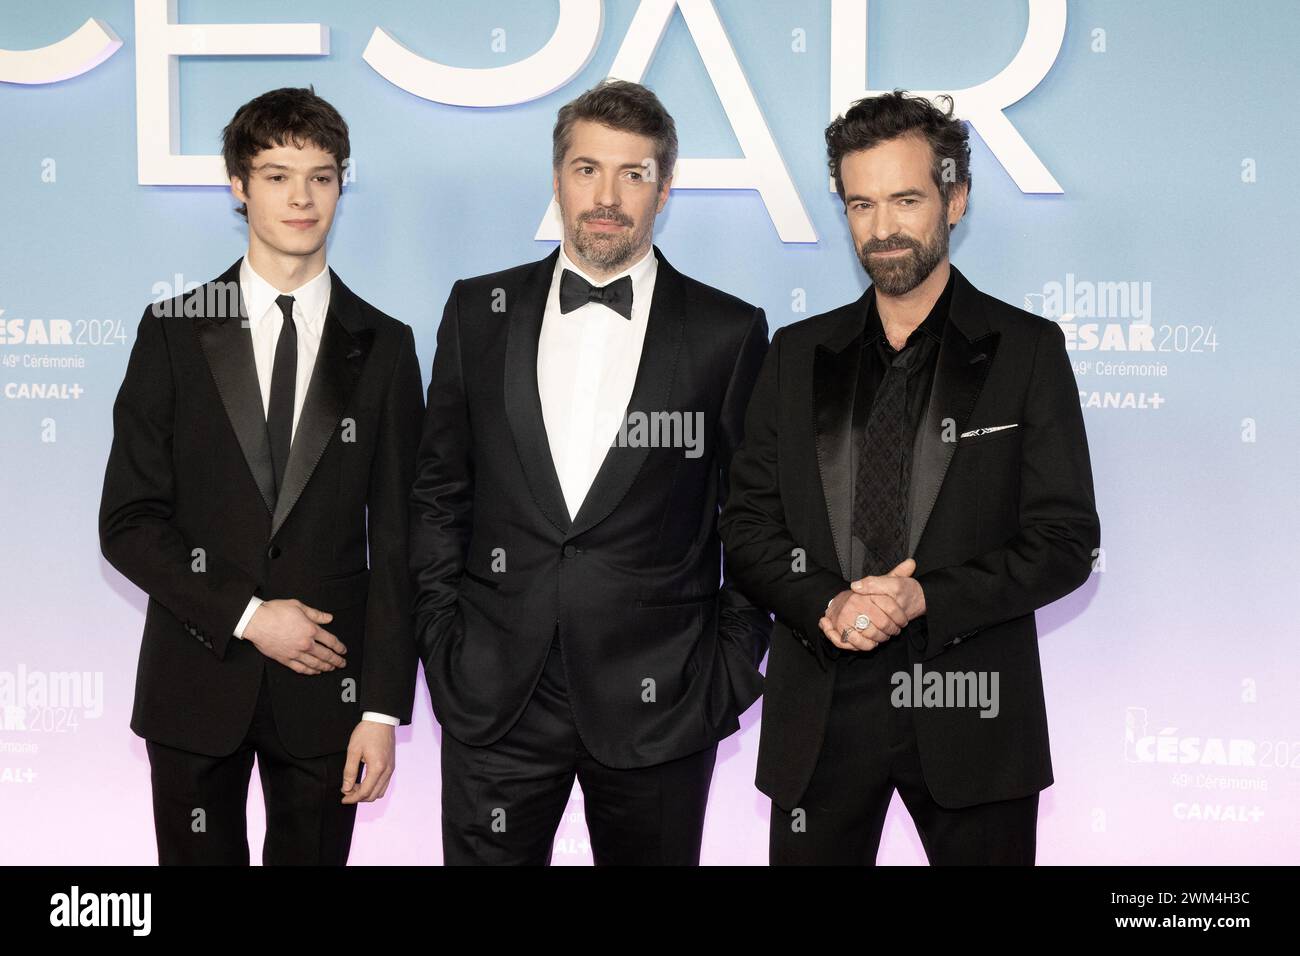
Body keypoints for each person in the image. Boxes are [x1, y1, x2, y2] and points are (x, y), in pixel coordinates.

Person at [720, 90, 1100, 865]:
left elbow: (1065, 540)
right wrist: (826, 600)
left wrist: (926, 596)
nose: (883, 227)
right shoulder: (794, 355)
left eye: (906, 199)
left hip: (972, 709)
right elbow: (747, 525)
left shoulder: (1026, 351)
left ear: (955, 199)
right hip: (819, 710)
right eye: (861, 203)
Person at [410, 79, 771, 865]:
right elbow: (440, 494)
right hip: (496, 695)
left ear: (665, 188)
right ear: (556, 178)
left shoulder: (728, 331)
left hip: (662, 700)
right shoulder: (480, 310)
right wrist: (444, 642)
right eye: (586, 170)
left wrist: (727, 668)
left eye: (633, 174)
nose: (607, 197)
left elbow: (751, 519)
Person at [99, 86, 423, 865]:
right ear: (239, 187)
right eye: (277, 175)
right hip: (195, 681)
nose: (302, 197)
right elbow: (129, 522)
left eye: (321, 175)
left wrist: (382, 707)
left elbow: (403, 541)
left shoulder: (385, 346)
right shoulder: (174, 330)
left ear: (343, 184)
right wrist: (248, 616)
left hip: (330, 694)